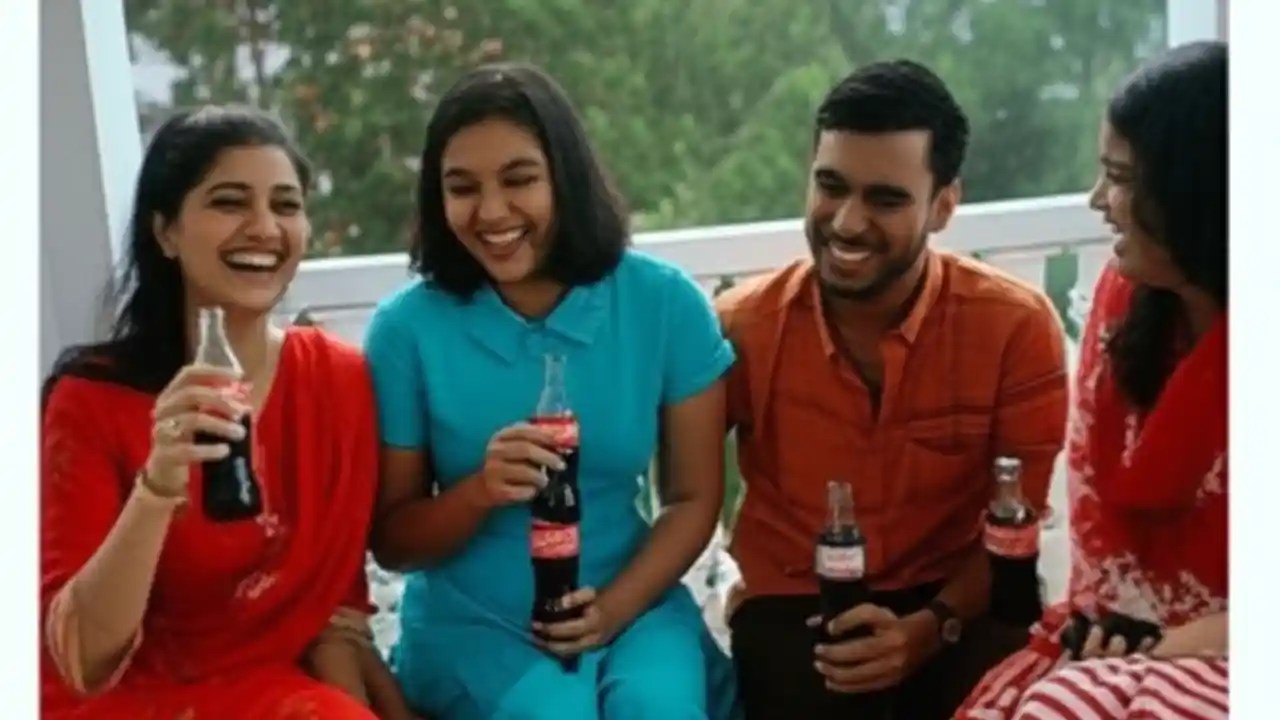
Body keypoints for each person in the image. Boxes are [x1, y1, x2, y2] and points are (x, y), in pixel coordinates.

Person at [364, 63, 739, 720]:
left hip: (630, 602)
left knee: (659, 709)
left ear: (565, 177)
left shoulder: (663, 303)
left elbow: (693, 497)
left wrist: (613, 609)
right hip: (471, 623)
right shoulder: (407, 331)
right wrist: (479, 490)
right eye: (462, 188)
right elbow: (392, 541)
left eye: (519, 180)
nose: (491, 212)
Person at [714, 59, 1071, 720]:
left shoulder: (1015, 328)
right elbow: (676, 490)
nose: (847, 223)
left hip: (959, 597)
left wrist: (931, 627)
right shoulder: (742, 329)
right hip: (800, 604)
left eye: (885, 198)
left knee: (1020, 688)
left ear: (944, 205)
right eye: (830, 186)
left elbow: (1014, 527)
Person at [39, 106, 413, 719]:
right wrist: (157, 485)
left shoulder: (337, 382)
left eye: (286, 206)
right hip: (117, 700)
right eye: (230, 202)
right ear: (165, 232)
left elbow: (335, 619)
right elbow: (82, 661)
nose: (264, 227)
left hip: (264, 688)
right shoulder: (93, 400)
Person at [954, 40, 1228, 720]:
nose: (1098, 200)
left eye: (1122, 178)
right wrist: (1119, 649)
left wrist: (1162, 652)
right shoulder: (1124, 302)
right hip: (1109, 635)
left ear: (1198, 191)